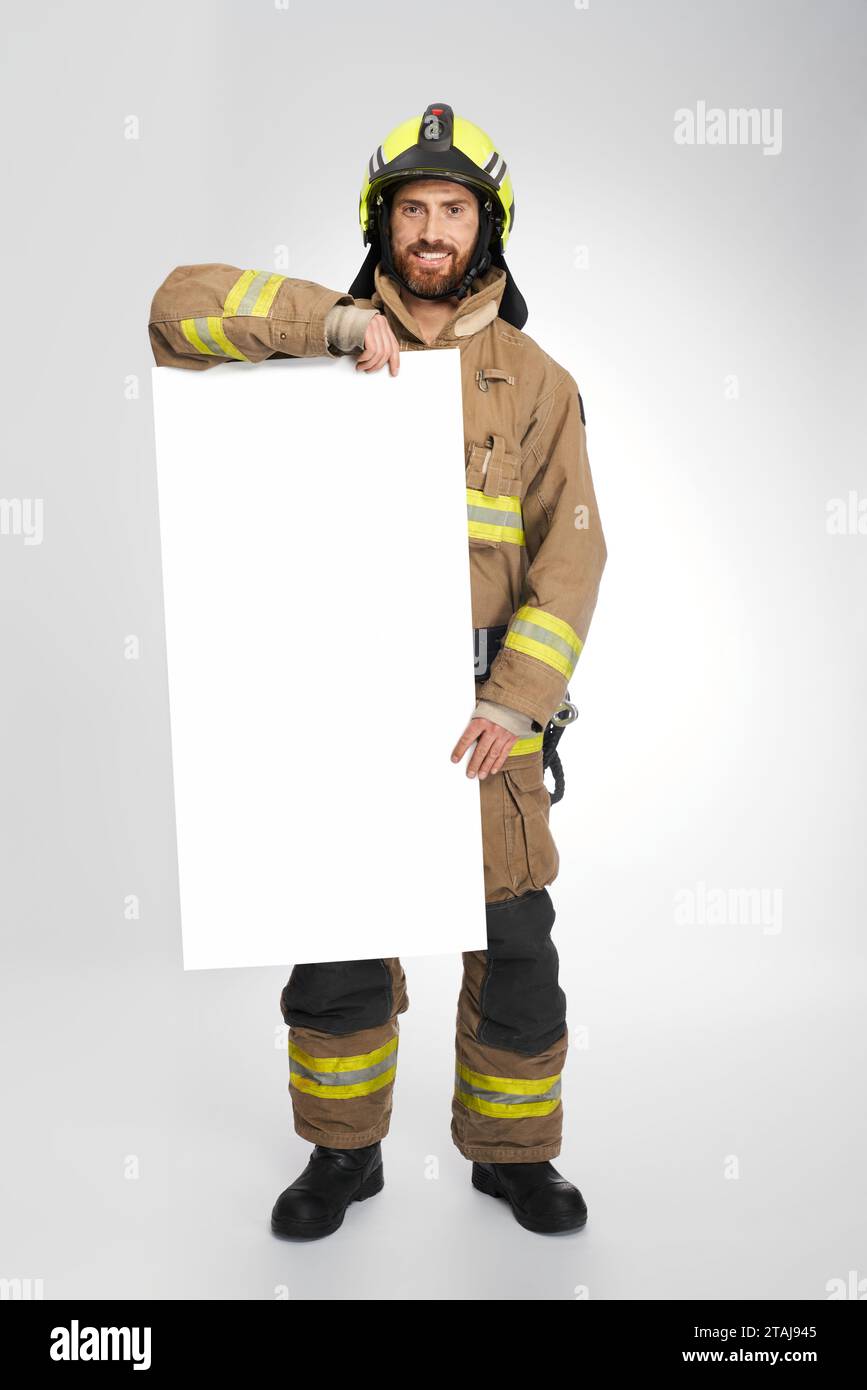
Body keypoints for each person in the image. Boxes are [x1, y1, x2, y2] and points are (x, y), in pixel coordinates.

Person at [148, 102, 607, 1239]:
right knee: (339, 951)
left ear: (487, 226)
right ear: (383, 224)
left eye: (454, 209)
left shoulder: (539, 381)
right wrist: (333, 327)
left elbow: (575, 549)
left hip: (482, 730)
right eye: (413, 210)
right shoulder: (321, 344)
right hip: (343, 717)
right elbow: (172, 312)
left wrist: (519, 698)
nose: (433, 230)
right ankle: (341, 1156)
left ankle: (512, 1156)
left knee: (515, 959)